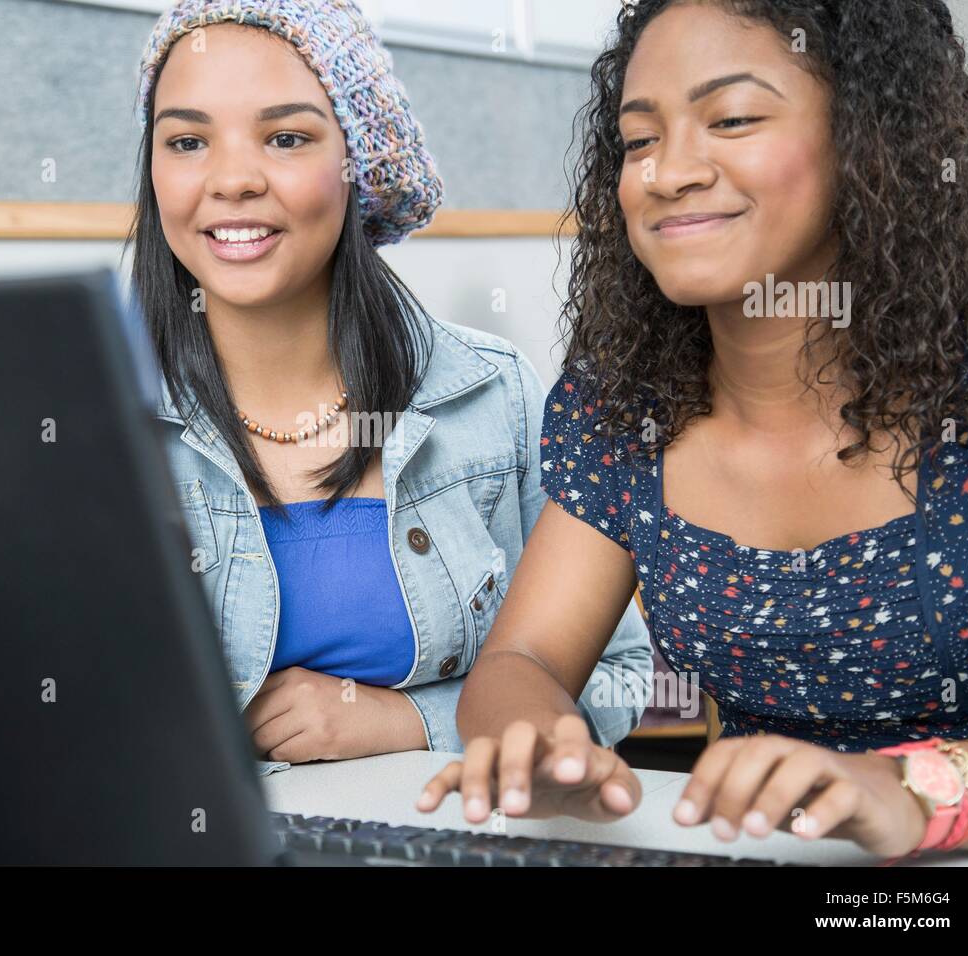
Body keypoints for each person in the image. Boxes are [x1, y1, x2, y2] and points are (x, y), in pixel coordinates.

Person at [419, 0, 968, 859]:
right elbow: (524, 660)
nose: (666, 172)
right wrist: (540, 741)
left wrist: (905, 788)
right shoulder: (624, 402)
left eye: (731, 119)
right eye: (640, 139)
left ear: (869, 140)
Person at [129, 0, 653, 773]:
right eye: (186, 141)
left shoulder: (492, 396)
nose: (232, 180)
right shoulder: (96, 420)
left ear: (359, 168)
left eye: (285, 137)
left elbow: (618, 679)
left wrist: (407, 721)